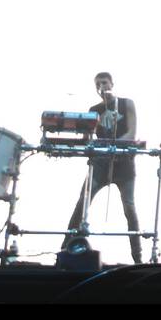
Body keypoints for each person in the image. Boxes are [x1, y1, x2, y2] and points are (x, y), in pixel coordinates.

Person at [64, 72, 142, 263]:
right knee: (83, 201)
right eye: (98, 84)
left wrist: (113, 145)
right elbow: (88, 137)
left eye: (104, 82)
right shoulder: (94, 109)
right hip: (100, 163)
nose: (102, 86)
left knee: (129, 207)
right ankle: (66, 248)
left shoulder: (127, 103)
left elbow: (132, 132)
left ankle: (137, 256)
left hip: (124, 164)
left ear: (112, 83)